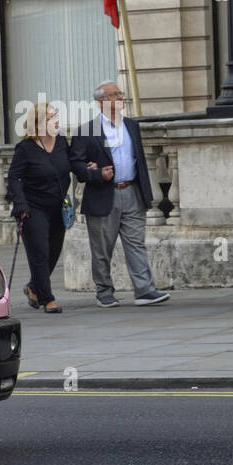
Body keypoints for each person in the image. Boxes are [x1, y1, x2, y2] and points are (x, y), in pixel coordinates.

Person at [68, 80, 170, 307]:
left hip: (132, 191)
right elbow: (76, 164)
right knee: (102, 248)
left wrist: (145, 195)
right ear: (100, 102)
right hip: (104, 195)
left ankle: (144, 290)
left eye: (119, 94)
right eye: (113, 95)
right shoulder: (87, 130)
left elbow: (140, 161)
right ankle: (104, 291)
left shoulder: (131, 126)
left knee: (136, 244)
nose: (118, 98)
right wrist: (96, 175)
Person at [6, 102, 72, 314]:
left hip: (57, 207)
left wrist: (93, 171)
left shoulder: (61, 142)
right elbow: (14, 177)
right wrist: (20, 204)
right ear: (38, 123)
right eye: (51, 117)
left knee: (53, 252)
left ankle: (34, 287)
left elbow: (73, 164)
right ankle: (47, 298)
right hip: (33, 208)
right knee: (40, 254)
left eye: (56, 116)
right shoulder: (25, 148)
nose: (56, 120)